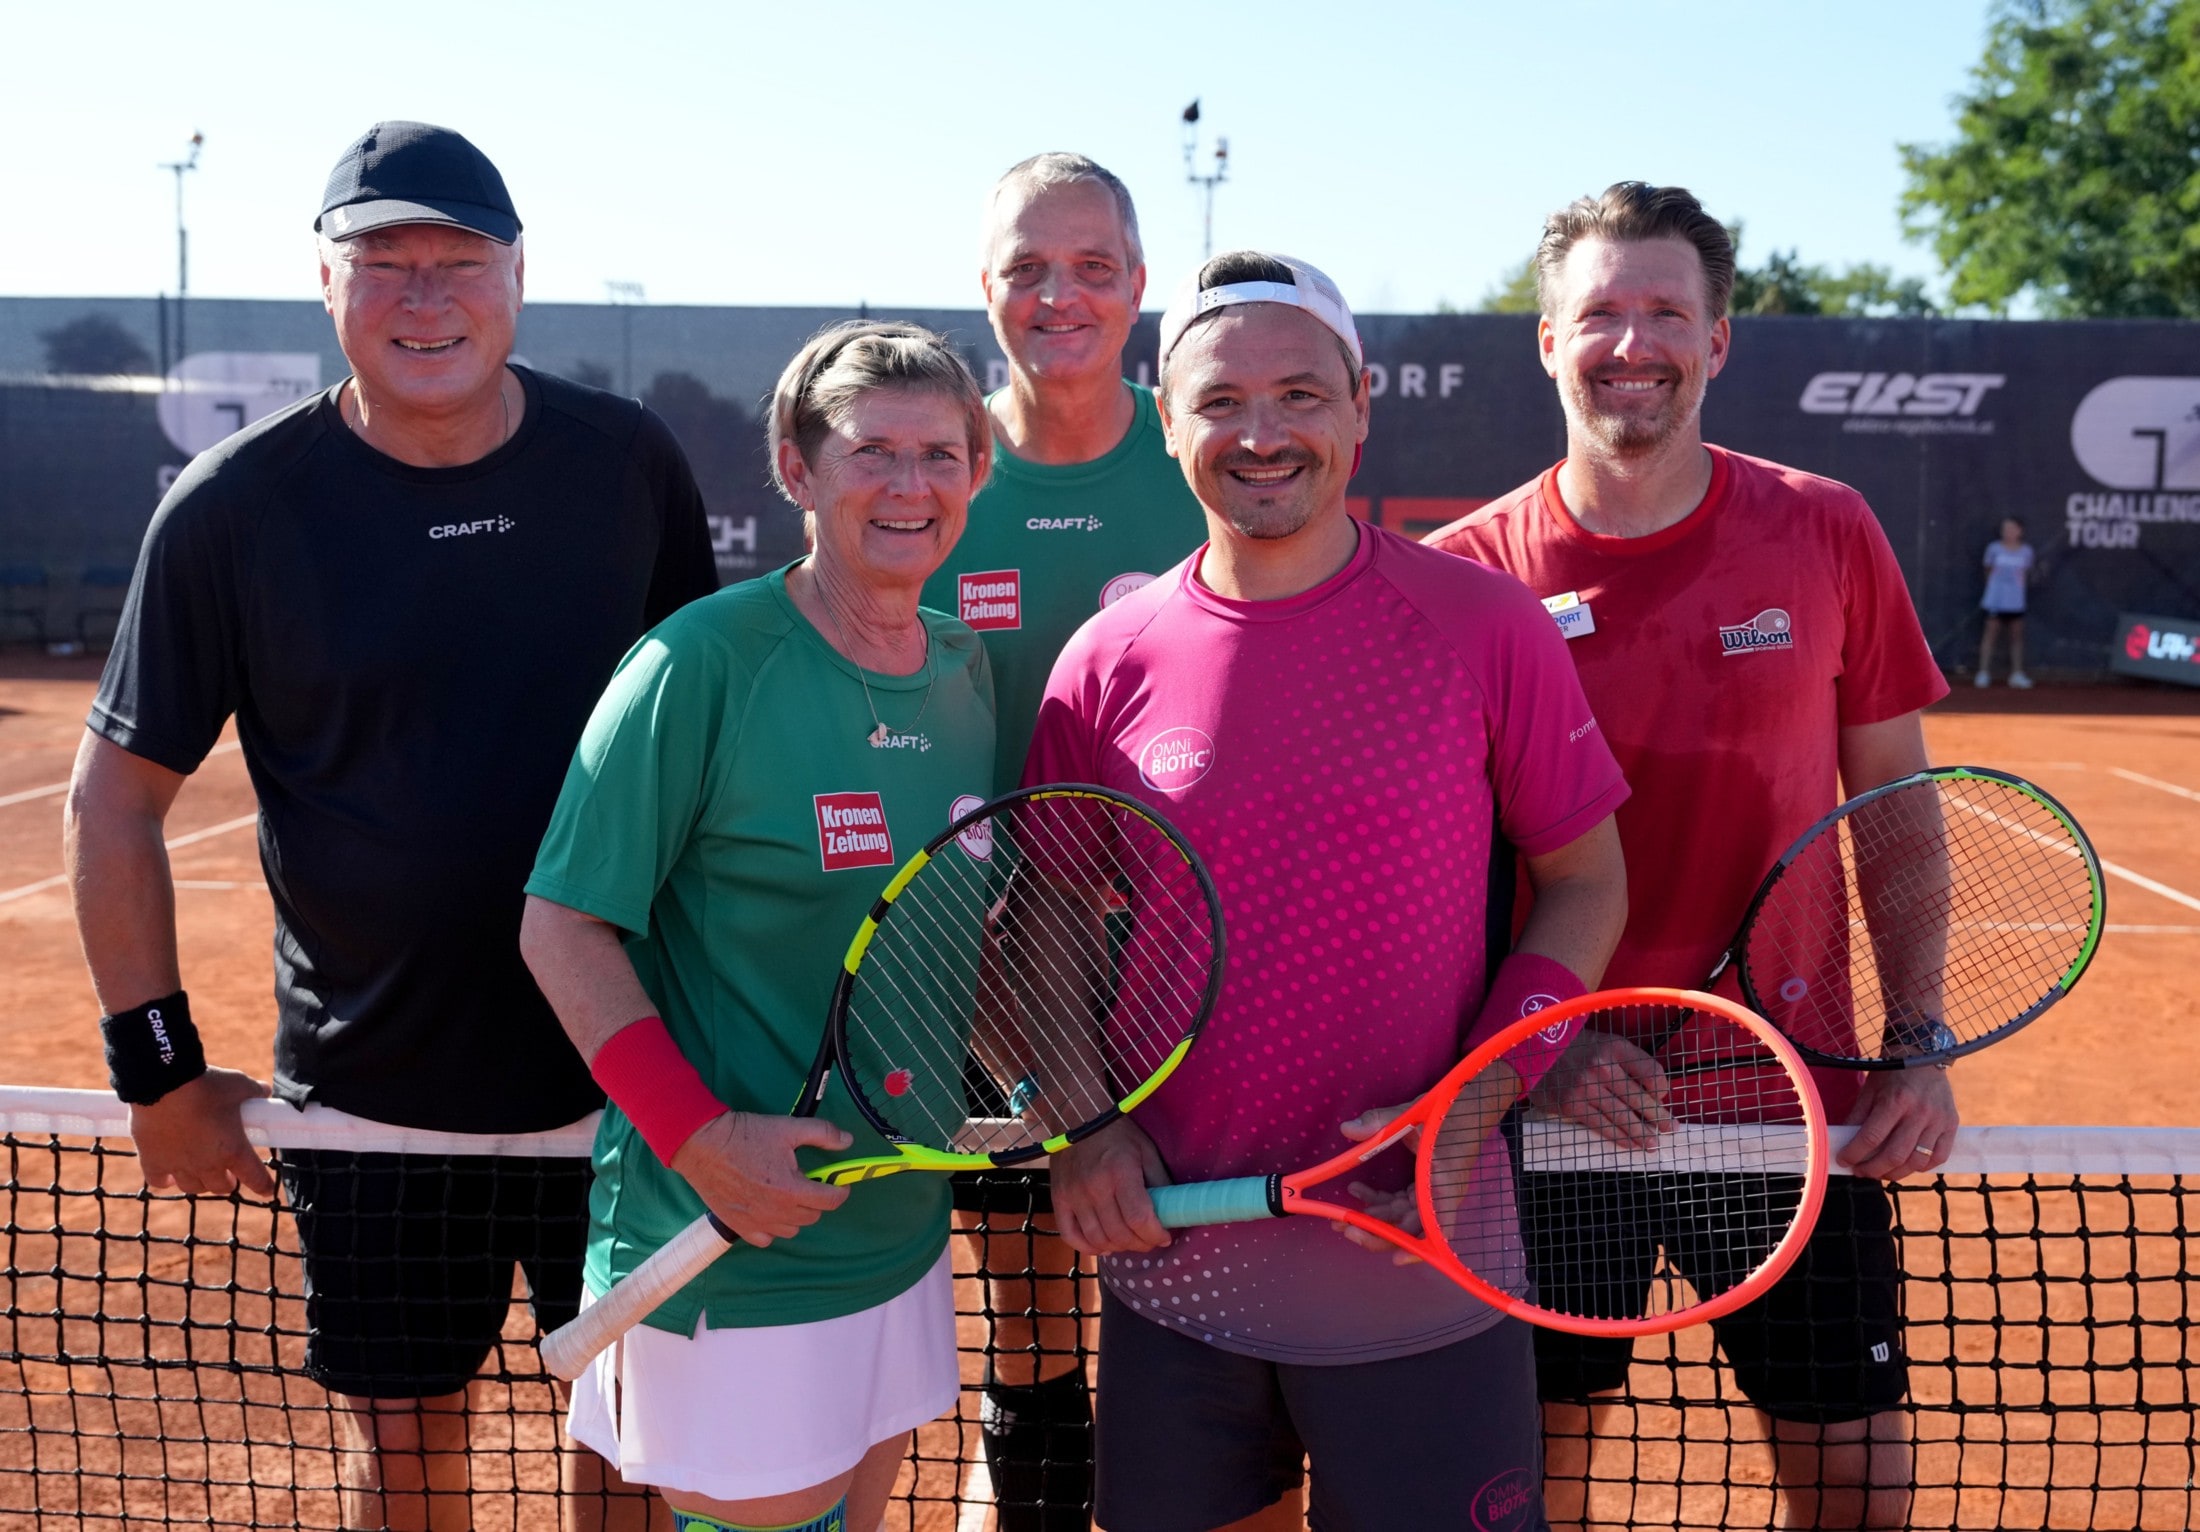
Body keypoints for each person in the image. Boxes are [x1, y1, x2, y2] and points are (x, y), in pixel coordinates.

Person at [63, 121, 717, 1530]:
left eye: (458, 261)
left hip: (626, 1078)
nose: (425, 296)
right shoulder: (232, 509)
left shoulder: (625, 464)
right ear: (326, 282)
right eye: (384, 263)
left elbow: (711, 737)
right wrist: (156, 1067)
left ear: (519, 277)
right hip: (373, 1101)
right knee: (408, 1455)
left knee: (626, 1443)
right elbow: (116, 801)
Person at [1033, 251, 1632, 1532]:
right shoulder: (1104, 659)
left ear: (1361, 403)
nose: (1261, 434)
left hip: (1426, 1275)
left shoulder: (1486, 624)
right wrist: (1085, 1121)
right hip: (1174, 1281)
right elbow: (1038, 918)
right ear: (1164, 421)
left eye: (1300, 395)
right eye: (1222, 401)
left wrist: (1473, 1102)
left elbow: (1585, 885)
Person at [1425, 181, 1957, 1532]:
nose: (1633, 342)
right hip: (1549, 1115)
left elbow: (1890, 798)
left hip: (1793, 1102)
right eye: (1599, 312)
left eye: (1668, 310)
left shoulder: (1826, 529)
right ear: (1546, 341)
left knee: (1861, 1503)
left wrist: (1924, 1032)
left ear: (1720, 341)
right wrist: (1541, 1047)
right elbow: (1428, 875)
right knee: (1532, 1498)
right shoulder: (1463, 580)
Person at [520, 321, 997, 1532]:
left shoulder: (963, 667)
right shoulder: (698, 665)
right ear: (797, 468)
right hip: (729, 1246)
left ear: (978, 471)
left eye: (939, 454)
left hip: (898, 1230)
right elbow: (560, 926)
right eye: (870, 452)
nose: (908, 485)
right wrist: (702, 1138)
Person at [919, 151, 1207, 1532]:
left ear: (1141, 287)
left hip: (1190, 974)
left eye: (1093, 266)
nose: (1060, 295)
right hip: (981, 978)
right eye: (1028, 268)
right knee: (1033, 1331)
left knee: (1196, 1325)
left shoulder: (1207, 449)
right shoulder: (930, 462)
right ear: (984, 289)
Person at [1976, 517, 2034, 688]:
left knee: (2016, 637)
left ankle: (2016, 674)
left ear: (2019, 531)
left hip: (2016, 602)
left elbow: (2027, 573)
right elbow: (1988, 571)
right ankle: (1983, 673)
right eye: (2005, 528)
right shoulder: (1993, 549)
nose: (2008, 532)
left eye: (2012, 528)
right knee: (1990, 635)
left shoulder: (2026, 551)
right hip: (1995, 600)